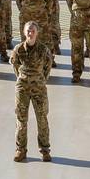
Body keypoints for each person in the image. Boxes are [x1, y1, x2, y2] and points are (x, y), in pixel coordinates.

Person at [12, 20, 55, 162]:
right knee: (21, 119)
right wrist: (23, 79)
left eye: (33, 31)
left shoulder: (43, 50)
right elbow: (15, 66)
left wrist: (40, 80)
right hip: (22, 89)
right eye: (28, 31)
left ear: (37, 33)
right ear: (24, 33)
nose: (30, 33)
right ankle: (20, 150)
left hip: (39, 89)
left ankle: (45, 150)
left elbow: (47, 67)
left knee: (42, 119)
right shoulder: (18, 49)